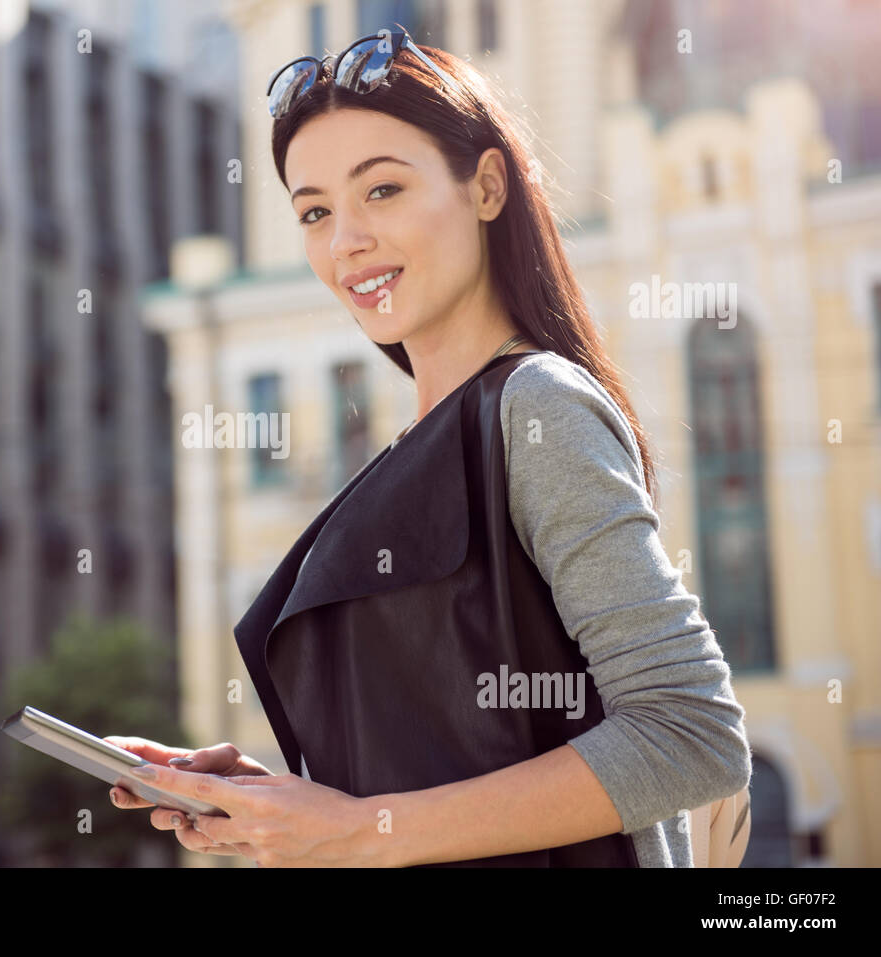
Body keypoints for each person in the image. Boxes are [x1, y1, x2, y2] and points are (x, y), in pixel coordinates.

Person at [106, 28, 750, 867]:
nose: (346, 242)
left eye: (382, 190)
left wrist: (359, 832)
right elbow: (455, 758)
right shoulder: (421, 445)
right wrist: (284, 807)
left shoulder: (535, 408)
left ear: (487, 186)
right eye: (314, 211)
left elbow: (691, 730)